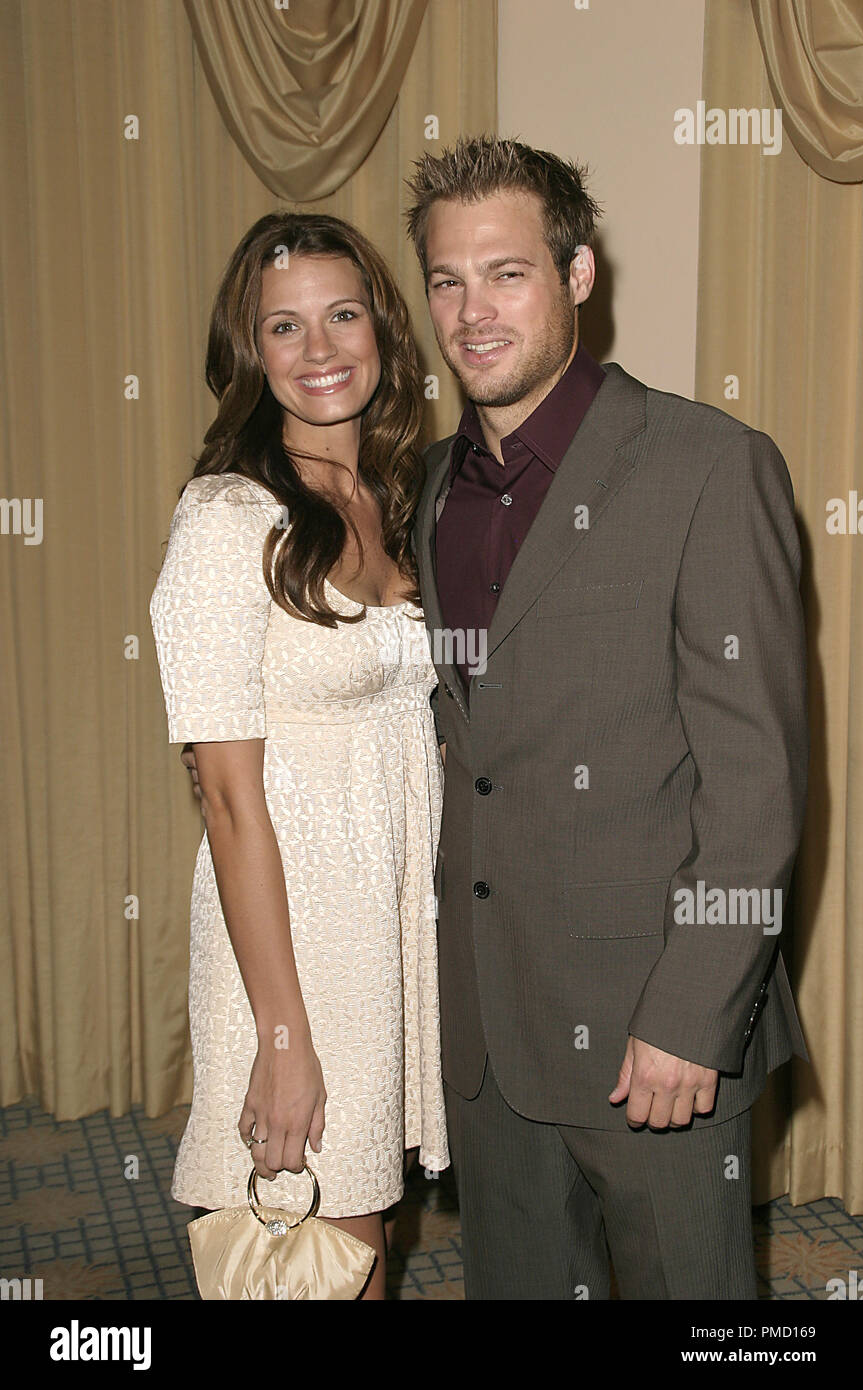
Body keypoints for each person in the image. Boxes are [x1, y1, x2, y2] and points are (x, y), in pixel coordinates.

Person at [400, 135, 809, 1300]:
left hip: (656, 1036)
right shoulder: (428, 487)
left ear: (577, 275)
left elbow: (758, 779)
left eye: (506, 273)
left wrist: (692, 1013)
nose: (471, 311)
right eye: (445, 278)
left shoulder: (706, 465)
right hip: (489, 1030)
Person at [150, 211, 448, 1301]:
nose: (320, 349)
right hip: (287, 946)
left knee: (351, 1249)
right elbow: (226, 801)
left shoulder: (399, 497)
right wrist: (282, 1034)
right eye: (285, 326)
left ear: (382, 331)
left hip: (381, 934)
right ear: (249, 352)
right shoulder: (227, 519)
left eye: (341, 314)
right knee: (301, 1256)